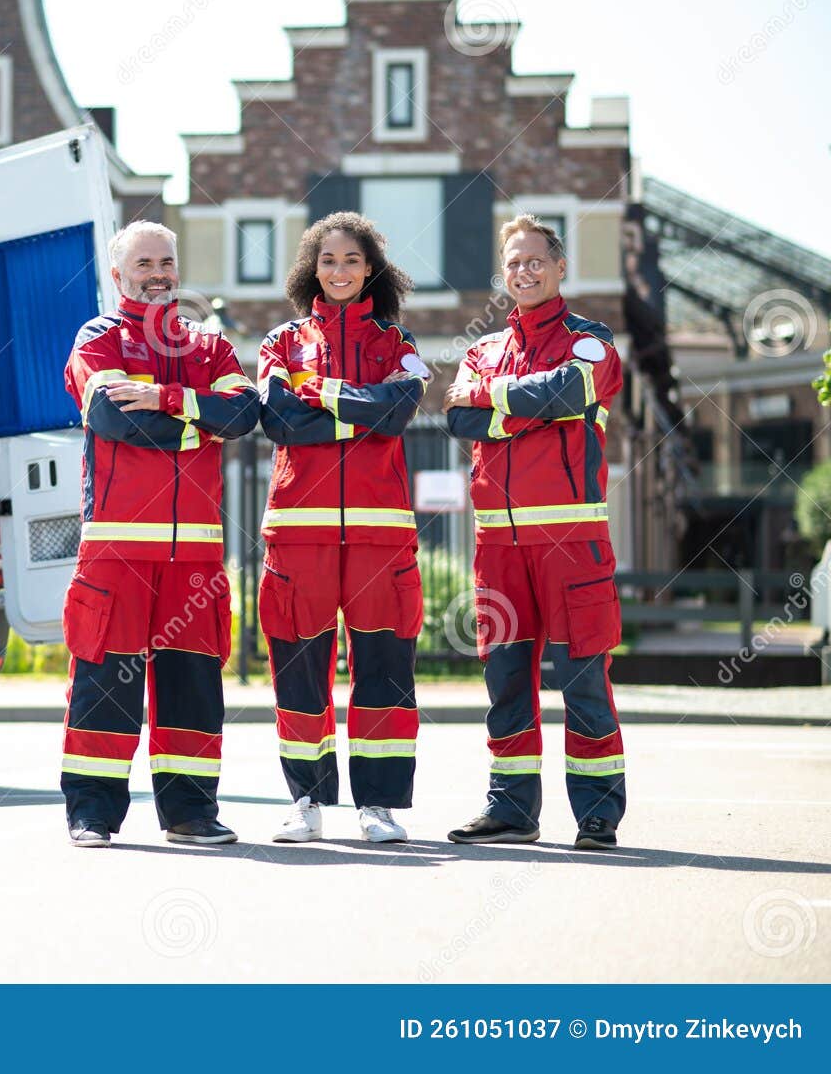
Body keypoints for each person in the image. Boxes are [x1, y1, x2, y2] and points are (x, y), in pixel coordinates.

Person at [60, 220, 259, 848]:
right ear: (118, 274)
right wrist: (201, 422)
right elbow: (112, 417)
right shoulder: (98, 338)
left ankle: (190, 813)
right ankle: (92, 813)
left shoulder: (210, 346)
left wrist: (170, 399)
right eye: (143, 263)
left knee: (192, 685)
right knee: (104, 682)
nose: (157, 274)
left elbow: (244, 413)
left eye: (165, 262)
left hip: (194, 554)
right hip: (117, 548)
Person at [443, 214, 626, 851]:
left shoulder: (592, 340)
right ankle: (512, 810)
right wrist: (529, 408)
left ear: (559, 267)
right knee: (506, 683)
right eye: (514, 262)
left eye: (536, 260)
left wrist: (494, 399)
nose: (524, 271)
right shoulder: (481, 349)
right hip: (498, 549)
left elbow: (569, 392)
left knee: (583, 680)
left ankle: (597, 815)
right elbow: (458, 418)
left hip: (573, 544)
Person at [256, 212, 430, 844]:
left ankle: (378, 806)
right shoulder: (281, 342)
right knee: (300, 671)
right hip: (298, 534)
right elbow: (280, 420)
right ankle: (305, 801)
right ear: (312, 267)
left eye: (352, 260)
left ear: (371, 269)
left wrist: (323, 393)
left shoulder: (396, 341)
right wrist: (363, 407)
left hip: (381, 537)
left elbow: (399, 413)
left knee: (384, 670)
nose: (339, 270)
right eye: (328, 259)